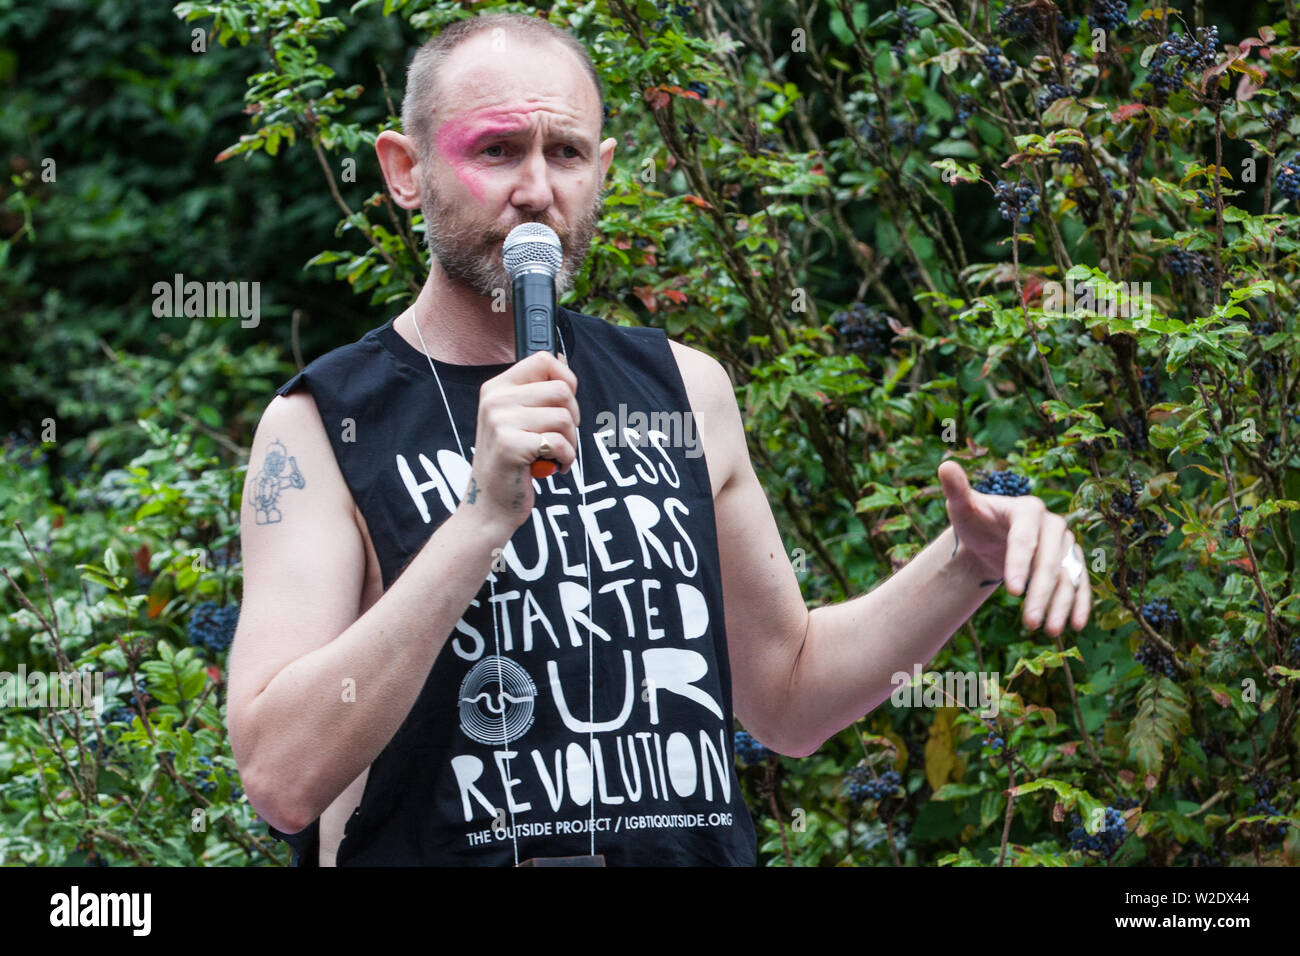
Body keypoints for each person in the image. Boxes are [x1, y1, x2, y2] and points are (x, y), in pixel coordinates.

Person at [227, 12, 1091, 867]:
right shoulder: (319, 427)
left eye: (564, 153)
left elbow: (789, 699)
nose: (536, 189)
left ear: (601, 170)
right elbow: (280, 775)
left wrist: (966, 562)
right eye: (495, 151)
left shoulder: (684, 391)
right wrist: (480, 521)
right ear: (405, 171)